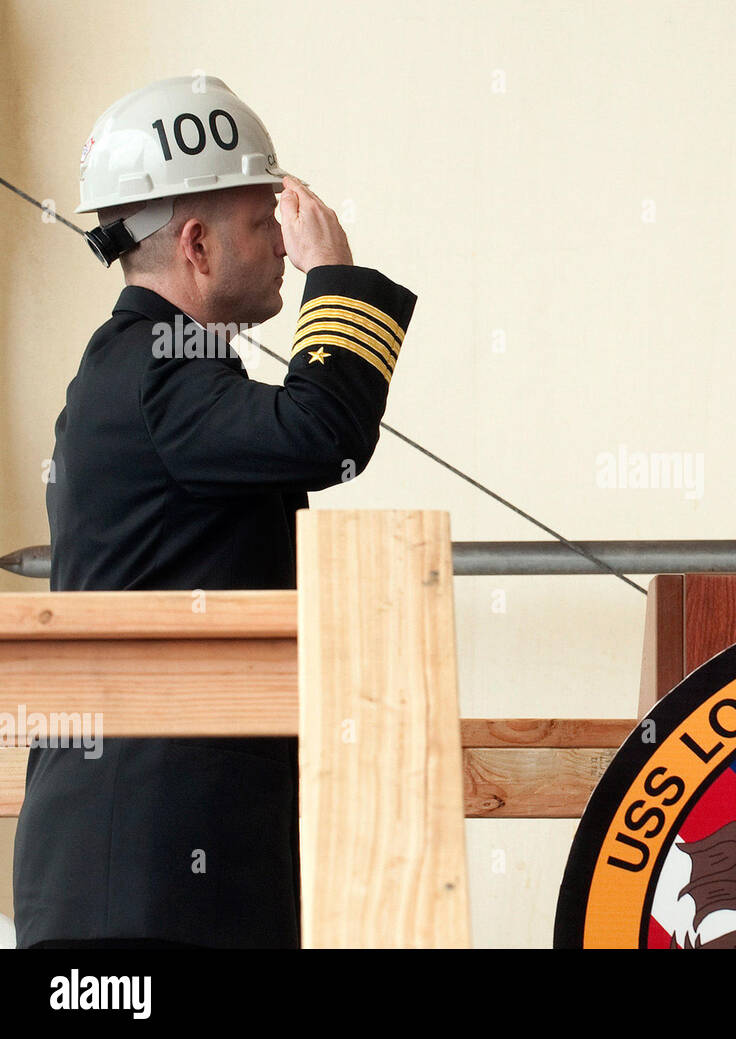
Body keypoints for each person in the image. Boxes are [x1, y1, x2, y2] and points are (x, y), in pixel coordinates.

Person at [14, 76, 417, 947]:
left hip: (160, 872)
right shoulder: (155, 373)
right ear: (196, 243)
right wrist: (337, 276)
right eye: (264, 220)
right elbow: (324, 431)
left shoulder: (151, 372)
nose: (282, 242)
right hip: (145, 883)